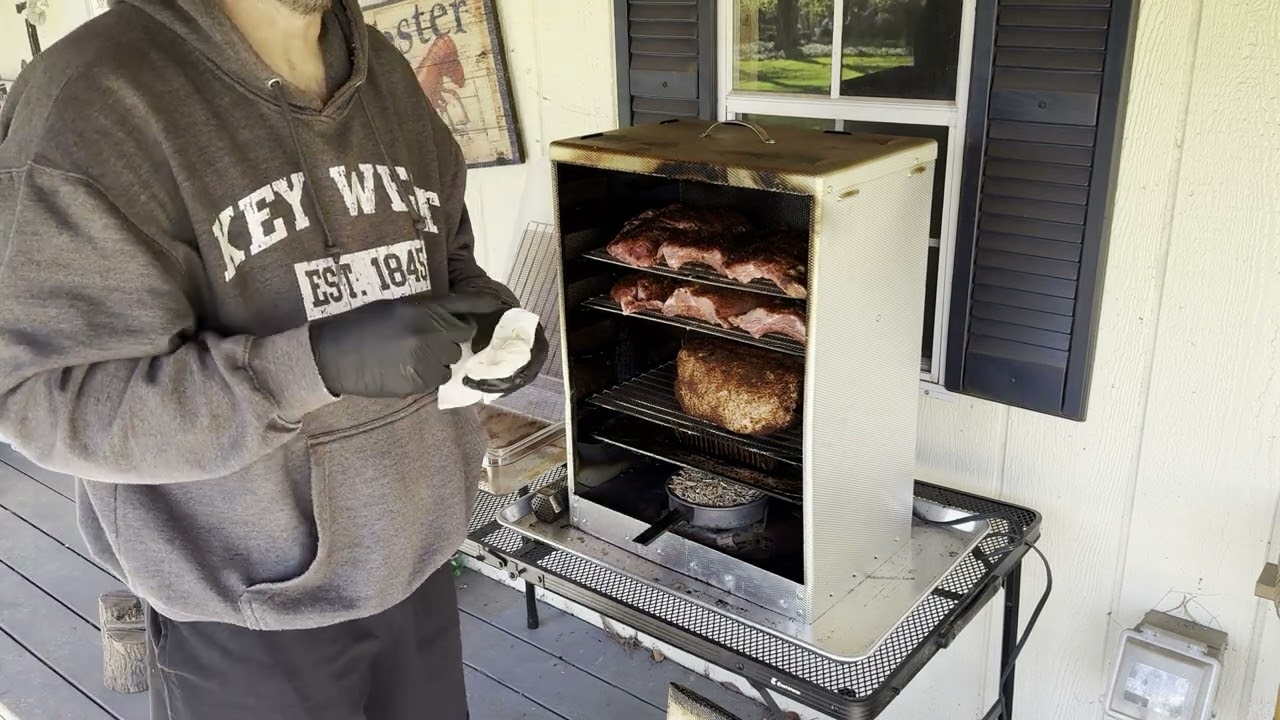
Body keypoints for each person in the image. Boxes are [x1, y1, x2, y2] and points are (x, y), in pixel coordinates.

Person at [0, 0, 548, 716]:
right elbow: (49, 400)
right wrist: (312, 366)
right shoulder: (93, 96)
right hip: (246, 609)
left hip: (419, 555)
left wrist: (492, 315)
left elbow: (447, 251)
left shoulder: (382, 69)